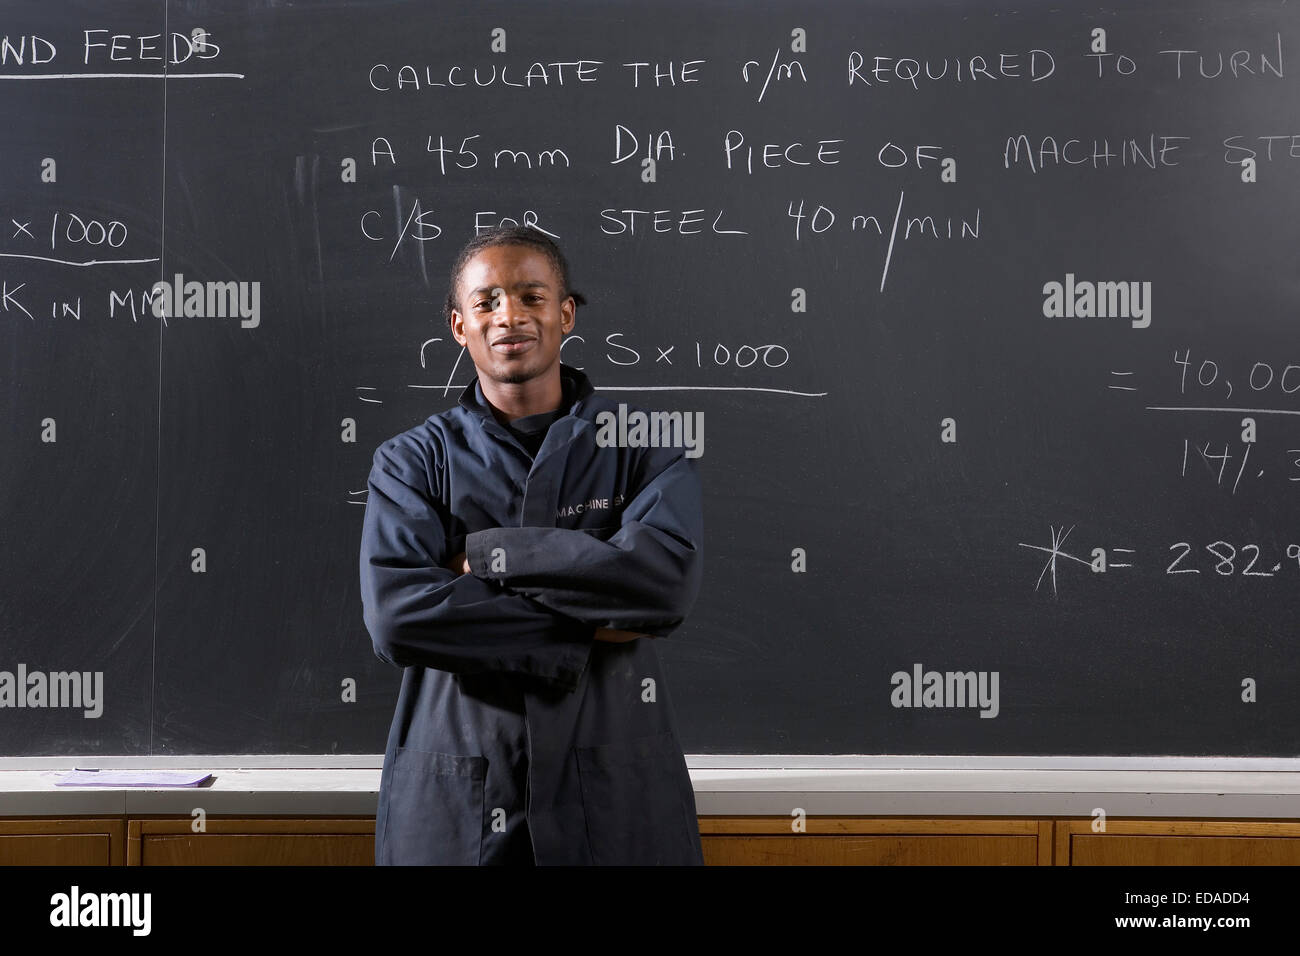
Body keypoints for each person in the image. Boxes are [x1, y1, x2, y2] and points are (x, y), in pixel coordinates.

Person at [359, 225, 705, 865]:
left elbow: (662, 586)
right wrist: (586, 626)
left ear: (566, 313)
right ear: (459, 326)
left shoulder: (643, 449)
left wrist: (490, 558)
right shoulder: (411, 463)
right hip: (455, 806)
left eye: (531, 296)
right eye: (487, 302)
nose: (508, 316)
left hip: (615, 802)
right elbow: (398, 619)